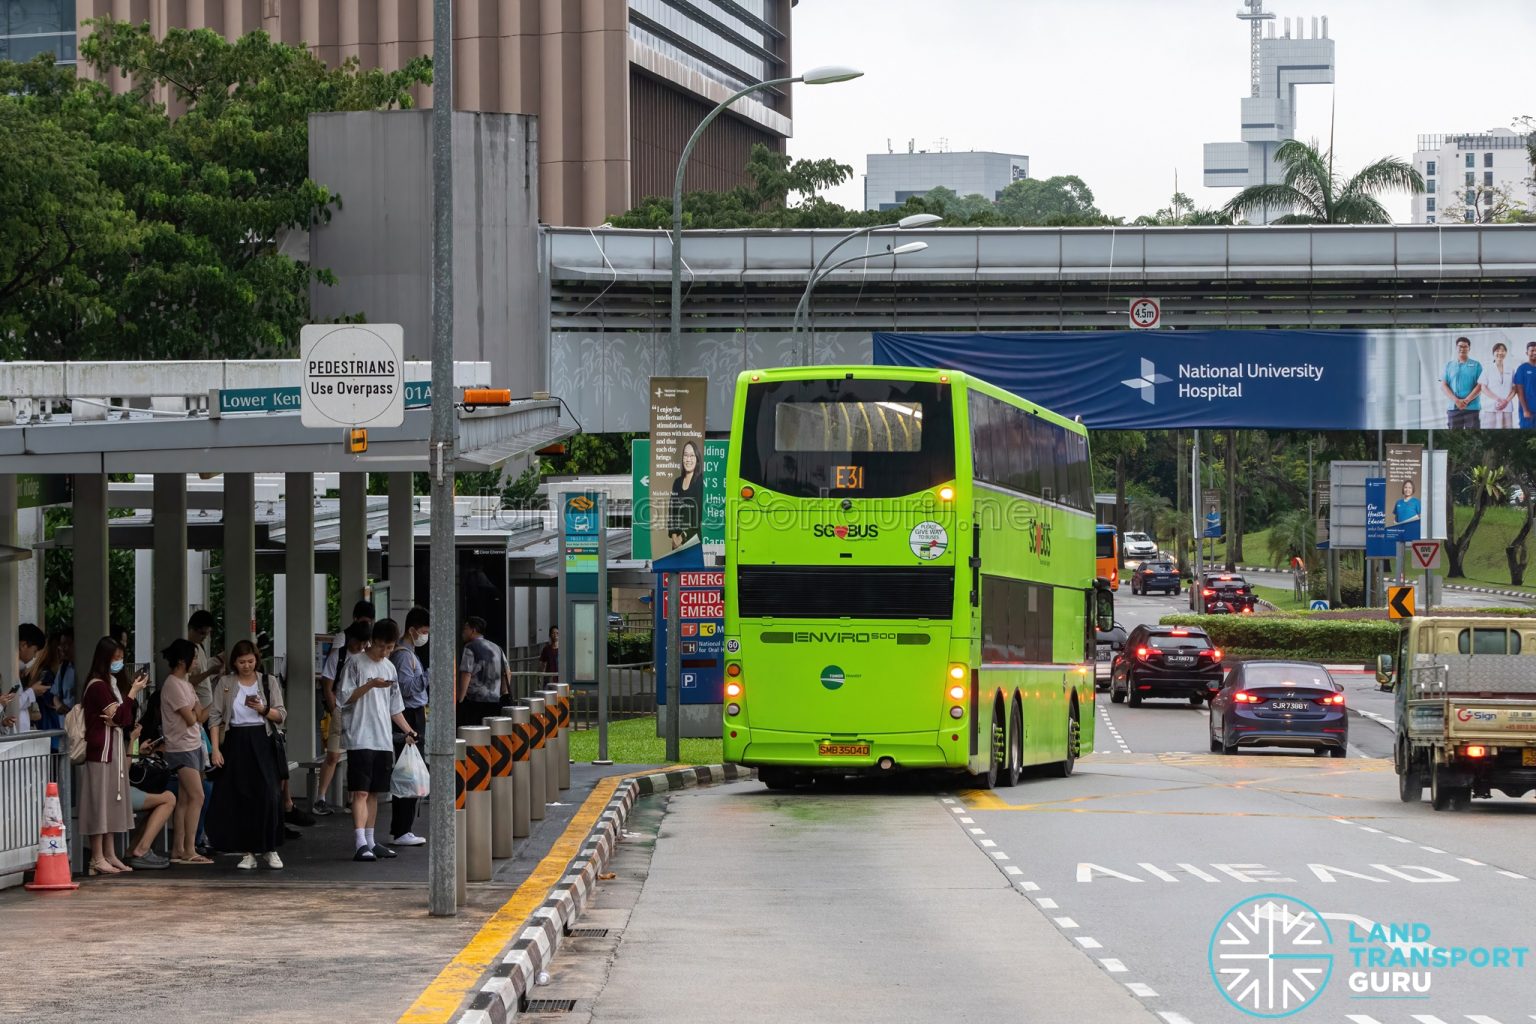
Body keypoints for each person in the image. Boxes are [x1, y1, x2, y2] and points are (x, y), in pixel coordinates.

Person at [340, 618, 417, 861]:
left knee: (374, 793)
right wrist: (371, 685)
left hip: (383, 738)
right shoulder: (354, 663)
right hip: (360, 737)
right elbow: (345, 698)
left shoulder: (390, 668)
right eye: (382, 646)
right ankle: (359, 842)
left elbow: (396, 707)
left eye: (390, 647)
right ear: (372, 641)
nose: (385, 651)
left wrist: (408, 730)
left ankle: (371, 841)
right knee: (360, 792)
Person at [207, 640, 286, 870]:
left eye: (250, 661)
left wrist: (262, 709)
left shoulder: (267, 681)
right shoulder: (226, 683)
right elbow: (215, 717)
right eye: (242, 662)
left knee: (269, 794)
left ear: (256, 659)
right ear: (234, 662)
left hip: (263, 740)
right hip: (236, 741)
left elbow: (281, 714)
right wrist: (215, 749)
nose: (247, 666)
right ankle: (248, 852)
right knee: (242, 796)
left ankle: (270, 848)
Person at [79, 635, 146, 875]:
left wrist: (120, 712)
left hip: (114, 749)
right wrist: (133, 693)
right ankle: (96, 857)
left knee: (111, 801)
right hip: (101, 751)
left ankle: (109, 853)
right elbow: (119, 718)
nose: (118, 662)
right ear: (104, 658)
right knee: (100, 802)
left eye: (121, 658)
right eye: (115, 658)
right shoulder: (97, 686)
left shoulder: (111, 684)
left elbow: (124, 719)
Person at [314, 601, 376, 814]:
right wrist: (335, 710)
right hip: (341, 709)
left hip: (361, 711)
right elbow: (327, 684)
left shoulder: (367, 657)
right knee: (333, 755)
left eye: (363, 645)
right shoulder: (339, 653)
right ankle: (320, 798)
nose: (359, 648)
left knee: (356, 755)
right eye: (357, 644)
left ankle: (352, 798)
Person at [157, 638, 211, 865]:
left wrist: (197, 713)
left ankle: (178, 848)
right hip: (181, 747)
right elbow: (193, 718)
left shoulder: (187, 684)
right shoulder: (173, 685)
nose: (196, 662)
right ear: (182, 661)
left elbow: (199, 715)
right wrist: (196, 712)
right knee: (198, 796)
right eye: (194, 657)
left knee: (186, 798)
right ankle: (190, 848)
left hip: (192, 744)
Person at [387, 608, 430, 846]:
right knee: (408, 771)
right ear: (412, 630)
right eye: (423, 632)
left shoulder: (410, 652)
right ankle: (402, 829)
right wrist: (429, 676)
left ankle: (405, 828)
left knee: (411, 770)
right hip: (410, 716)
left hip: (414, 714)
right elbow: (405, 689)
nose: (425, 636)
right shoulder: (404, 656)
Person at [123, 726, 173, 870]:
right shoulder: (118, 737)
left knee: (162, 801)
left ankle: (133, 849)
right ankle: (142, 849)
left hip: (123, 790)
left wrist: (139, 752)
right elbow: (124, 771)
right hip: (118, 792)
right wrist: (132, 740)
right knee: (169, 798)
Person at [457, 616, 508, 728]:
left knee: (474, 735)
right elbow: (507, 673)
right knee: (490, 734)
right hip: (494, 700)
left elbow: (467, 673)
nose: (463, 632)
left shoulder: (470, 647)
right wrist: (503, 692)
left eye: (465, 628)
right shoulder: (497, 648)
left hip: (475, 701)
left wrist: (461, 699)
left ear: (473, 630)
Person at [668, 439, 704, 550]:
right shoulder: (677, 482)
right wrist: (674, 536)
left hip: (693, 541)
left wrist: (682, 537)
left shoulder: (700, 482)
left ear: (697, 459)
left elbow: (697, 517)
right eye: (686, 455)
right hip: (676, 544)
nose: (688, 459)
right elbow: (672, 510)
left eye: (692, 456)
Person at [1441, 336, 1483, 430]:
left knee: (1474, 436)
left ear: (1469, 349)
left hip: (1472, 408)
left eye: (1465, 346)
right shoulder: (1449, 365)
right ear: (1456, 348)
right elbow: (1444, 385)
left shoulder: (1476, 365)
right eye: (1460, 346)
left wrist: (1466, 401)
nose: (1462, 349)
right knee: (1453, 436)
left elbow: (1480, 385)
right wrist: (1456, 401)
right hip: (1453, 408)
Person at [186, 610, 225, 709]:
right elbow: (186, 681)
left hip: (206, 707)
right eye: (202, 633)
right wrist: (209, 672)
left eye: (207, 634)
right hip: (196, 708)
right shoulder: (186, 651)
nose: (204, 637)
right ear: (191, 628)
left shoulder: (199, 646)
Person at [1480, 342, 1516, 429]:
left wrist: (1506, 401)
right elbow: (1483, 387)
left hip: (1507, 406)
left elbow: (1514, 388)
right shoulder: (1487, 368)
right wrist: (1498, 399)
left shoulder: (1511, 369)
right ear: (1493, 353)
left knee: (1507, 432)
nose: (1500, 353)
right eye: (1497, 350)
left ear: (1506, 353)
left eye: (1503, 351)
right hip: (1491, 406)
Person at [1515, 342, 1536, 429]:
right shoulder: (1522, 368)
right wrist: (1525, 410)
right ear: (1527, 353)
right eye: (1532, 350)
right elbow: (1519, 390)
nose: (1535, 353)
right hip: (1529, 410)